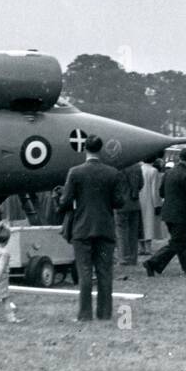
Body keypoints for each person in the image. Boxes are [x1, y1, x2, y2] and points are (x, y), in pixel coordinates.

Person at [56, 136, 124, 321]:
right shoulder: (112, 173)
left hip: (82, 228)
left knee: (84, 272)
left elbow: (65, 201)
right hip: (105, 228)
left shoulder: (75, 172)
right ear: (101, 149)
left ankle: (85, 314)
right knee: (105, 272)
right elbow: (119, 202)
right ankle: (104, 313)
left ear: (85, 149)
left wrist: (60, 199)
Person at [145, 149, 186, 277]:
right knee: (176, 243)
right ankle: (152, 263)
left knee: (184, 243)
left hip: (168, 212)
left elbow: (161, 192)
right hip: (180, 214)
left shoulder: (168, 172)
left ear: (179, 158)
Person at [114, 163, 144, 266]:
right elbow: (141, 184)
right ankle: (133, 257)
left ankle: (123, 257)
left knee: (121, 232)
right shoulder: (137, 167)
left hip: (121, 204)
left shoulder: (118, 166)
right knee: (133, 232)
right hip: (134, 203)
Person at [138, 158, 162, 253]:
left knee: (140, 224)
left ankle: (141, 247)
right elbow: (155, 189)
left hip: (139, 200)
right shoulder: (153, 171)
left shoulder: (139, 169)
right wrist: (157, 204)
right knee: (149, 224)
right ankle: (148, 247)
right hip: (149, 200)